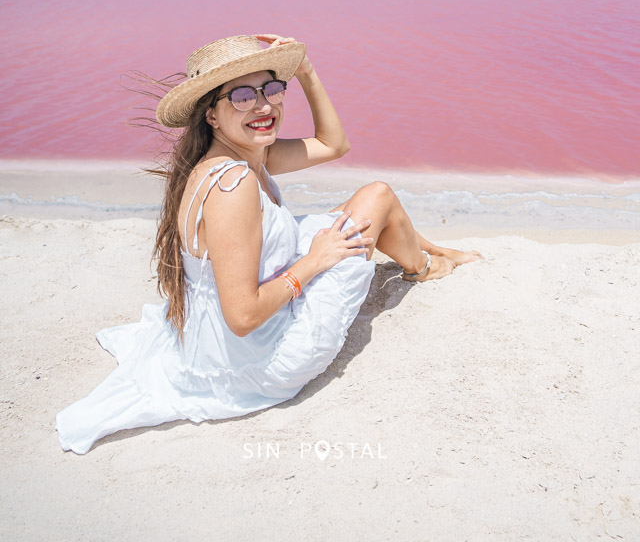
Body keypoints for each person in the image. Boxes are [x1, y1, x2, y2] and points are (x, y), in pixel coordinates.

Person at [56, 34, 481, 454]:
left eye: (272, 89)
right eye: (241, 96)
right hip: (258, 359)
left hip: (219, 344)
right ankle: (424, 266)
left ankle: (431, 253)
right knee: (377, 196)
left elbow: (335, 145)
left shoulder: (246, 156)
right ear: (212, 116)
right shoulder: (233, 186)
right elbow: (242, 316)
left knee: (376, 198)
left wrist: (307, 73)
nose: (263, 105)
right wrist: (313, 263)